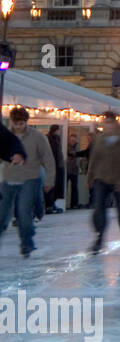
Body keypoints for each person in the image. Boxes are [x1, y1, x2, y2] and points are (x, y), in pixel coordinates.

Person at [0, 108, 54, 257]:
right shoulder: (5, 135)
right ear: (11, 121)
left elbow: (48, 159)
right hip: (8, 178)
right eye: (15, 123)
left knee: (23, 213)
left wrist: (49, 180)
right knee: (1, 215)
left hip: (30, 179)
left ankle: (27, 243)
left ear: (26, 122)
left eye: (21, 123)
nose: (18, 127)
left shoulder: (37, 137)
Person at [87, 111, 120, 253]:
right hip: (102, 178)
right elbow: (94, 159)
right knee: (98, 208)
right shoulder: (99, 139)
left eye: (110, 122)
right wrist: (90, 177)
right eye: (105, 122)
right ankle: (99, 236)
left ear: (116, 123)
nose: (108, 125)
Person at [45, 125, 65, 213]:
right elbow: (53, 153)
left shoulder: (57, 139)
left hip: (58, 166)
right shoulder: (50, 139)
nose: (60, 132)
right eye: (58, 130)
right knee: (51, 186)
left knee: (56, 186)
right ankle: (48, 205)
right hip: (53, 166)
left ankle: (51, 203)